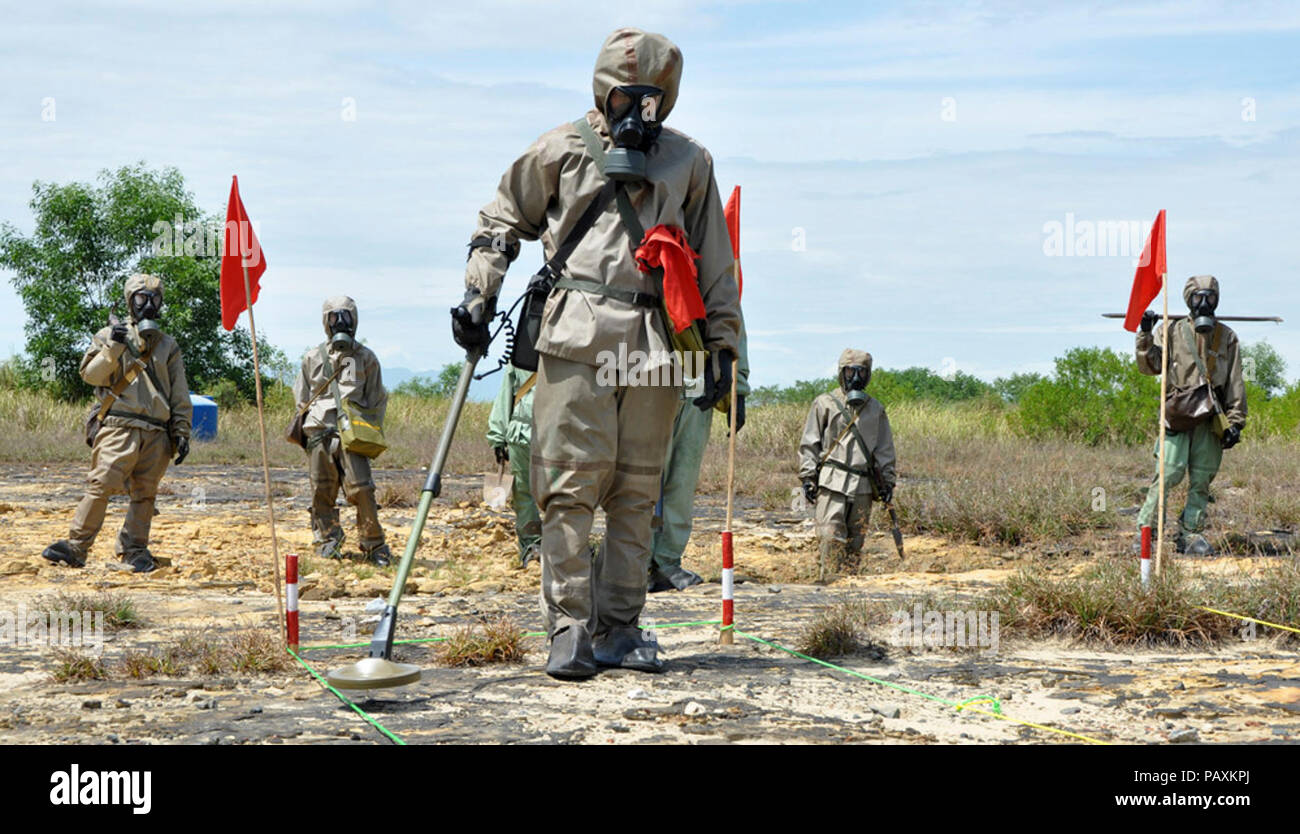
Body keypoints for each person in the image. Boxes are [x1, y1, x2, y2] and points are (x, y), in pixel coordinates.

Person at [452, 27, 743, 679]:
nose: (638, 106)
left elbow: (715, 265)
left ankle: (620, 627)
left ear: (666, 98)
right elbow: (498, 223)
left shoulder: (689, 162)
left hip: (656, 349)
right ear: (603, 89)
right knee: (568, 485)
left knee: (638, 493)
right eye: (625, 93)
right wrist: (479, 296)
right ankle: (569, 627)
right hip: (575, 339)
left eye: (652, 96)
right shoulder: (561, 149)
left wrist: (723, 349)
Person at [42, 273, 192, 573]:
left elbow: (180, 393)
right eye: (141, 298)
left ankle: (135, 549)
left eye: (154, 299)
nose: (148, 305)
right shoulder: (107, 335)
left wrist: (182, 430)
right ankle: (76, 546)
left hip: (157, 432)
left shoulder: (167, 345)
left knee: (145, 493)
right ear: (129, 300)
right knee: (101, 485)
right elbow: (91, 376)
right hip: (118, 425)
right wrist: (113, 347)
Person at [1134, 275, 1246, 556]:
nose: (1204, 303)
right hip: (1178, 412)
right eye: (1198, 297)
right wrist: (1145, 334)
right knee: (1168, 471)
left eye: (1210, 297)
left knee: (1202, 477)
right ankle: (1147, 532)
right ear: (1188, 300)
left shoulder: (1227, 337)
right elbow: (1150, 367)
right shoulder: (1170, 330)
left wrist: (1235, 423)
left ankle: (1191, 534)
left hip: (1211, 415)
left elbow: (1235, 383)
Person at [293, 296, 392, 566]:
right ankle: (327, 541)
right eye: (334, 318)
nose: (340, 323)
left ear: (355, 319)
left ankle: (373, 544)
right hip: (319, 432)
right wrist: (311, 430)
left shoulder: (366, 358)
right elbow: (301, 399)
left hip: (353, 435)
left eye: (346, 317)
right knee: (321, 491)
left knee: (362, 490)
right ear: (325, 321)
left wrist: (369, 432)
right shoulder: (312, 357)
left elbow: (376, 399)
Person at [649, 327, 749, 592]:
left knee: (682, 479)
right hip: (647, 371)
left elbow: (731, 329)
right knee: (640, 477)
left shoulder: (720, 284)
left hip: (697, 375)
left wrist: (738, 390)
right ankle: (634, 564)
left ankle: (667, 563)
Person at [798, 349, 896, 580]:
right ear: (841, 372)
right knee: (829, 537)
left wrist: (888, 482)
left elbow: (885, 449)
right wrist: (807, 477)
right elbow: (809, 442)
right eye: (851, 371)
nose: (856, 377)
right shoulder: (824, 404)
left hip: (862, 485)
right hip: (832, 482)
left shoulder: (875, 409)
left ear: (869, 375)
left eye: (862, 372)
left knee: (855, 543)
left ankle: (848, 590)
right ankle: (827, 584)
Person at [486, 363, 542, 566]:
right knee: (522, 492)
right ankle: (532, 545)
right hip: (522, 433)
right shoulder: (522, 349)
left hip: (562, 434)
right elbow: (506, 392)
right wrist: (498, 436)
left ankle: (565, 546)